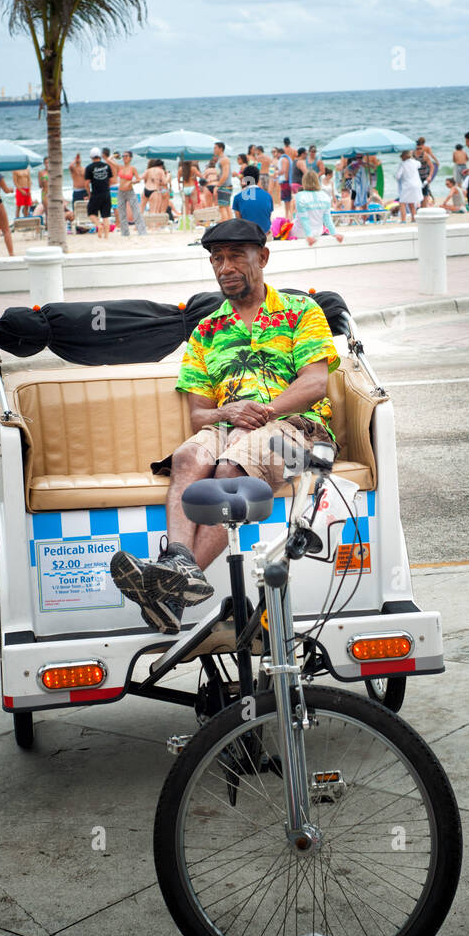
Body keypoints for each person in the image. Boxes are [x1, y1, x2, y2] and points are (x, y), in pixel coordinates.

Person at [108, 218, 340, 635]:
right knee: (188, 455)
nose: (225, 267)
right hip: (234, 426)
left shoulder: (301, 311)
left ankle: (170, 589)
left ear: (262, 257)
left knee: (231, 464)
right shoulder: (206, 331)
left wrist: (263, 411)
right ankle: (179, 563)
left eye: (236, 256)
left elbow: (314, 382)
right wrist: (229, 412)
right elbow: (199, 414)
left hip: (302, 436)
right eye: (217, 258)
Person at [294, 170, 344, 246]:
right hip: (318, 232)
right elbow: (327, 219)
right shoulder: (325, 196)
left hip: (301, 232)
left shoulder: (300, 196)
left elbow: (304, 219)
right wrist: (335, 234)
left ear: (304, 182)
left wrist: (309, 235)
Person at [232, 163, 273, 235]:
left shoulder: (238, 197)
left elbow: (239, 222)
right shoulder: (268, 196)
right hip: (264, 233)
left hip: (247, 234)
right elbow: (267, 217)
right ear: (258, 178)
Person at [114, 151, 147, 237]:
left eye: (126, 156)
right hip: (120, 192)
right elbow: (109, 161)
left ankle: (142, 232)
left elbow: (139, 179)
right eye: (123, 156)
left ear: (130, 158)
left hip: (130, 192)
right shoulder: (120, 167)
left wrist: (132, 182)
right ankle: (125, 233)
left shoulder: (132, 168)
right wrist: (115, 156)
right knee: (122, 213)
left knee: (136, 212)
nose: (124, 157)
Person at [84, 147, 115, 234]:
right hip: (106, 193)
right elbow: (111, 180)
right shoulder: (107, 166)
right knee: (106, 216)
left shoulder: (89, 168)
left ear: (91, 157)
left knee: (91, 212)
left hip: (96, 193)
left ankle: (98, 225)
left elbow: (86, 184)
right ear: (100, 156)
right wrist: (106, 187)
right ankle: (106, 237)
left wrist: (89, 193)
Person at [395, 150, 422, 223]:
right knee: (412, 202)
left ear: (404, 157)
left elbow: (397, 176)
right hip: (417, 184)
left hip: (407, 185)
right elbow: (420, 165)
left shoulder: (403, 164)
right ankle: (413, 219)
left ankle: (403, 220)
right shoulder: (416, 162)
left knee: (402, 203)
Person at [212, 140, 232, 221]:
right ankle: (230, 225)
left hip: (225, 185)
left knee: (222, 207)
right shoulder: (220, 159)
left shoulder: (224, 159)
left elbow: (225, 174)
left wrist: (217, 186)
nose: (214, 150)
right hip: (225, 185)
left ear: (221, 149)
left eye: (215, 148)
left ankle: (225, 225)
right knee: (226, 206)